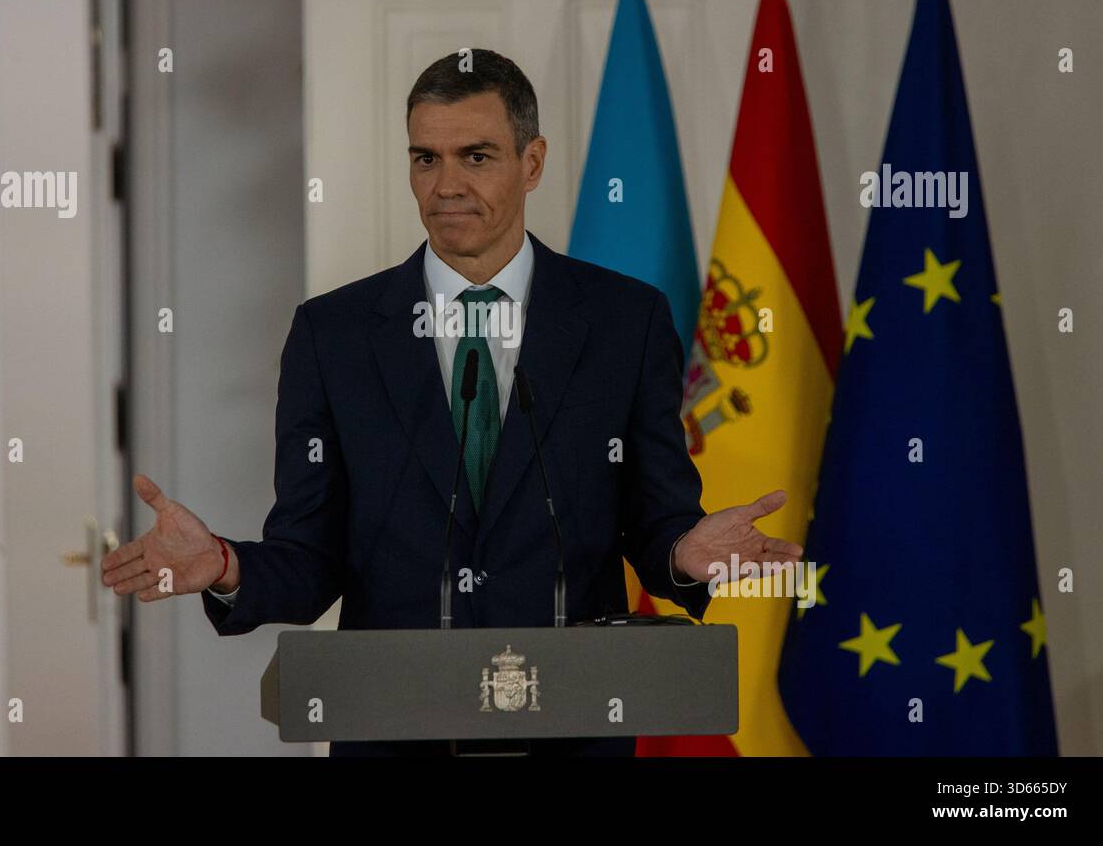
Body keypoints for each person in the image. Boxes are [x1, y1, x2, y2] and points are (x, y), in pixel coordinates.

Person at [101, 49, 799, 756]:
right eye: (425, 159)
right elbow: (311, 558)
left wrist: (684, 550)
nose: (446, 185)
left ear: (532, 163)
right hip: (393, 733)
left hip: (574, 730)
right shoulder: (333, 335)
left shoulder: (626, 322)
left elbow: (654, 524)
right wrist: (225, 565)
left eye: (476, 156)